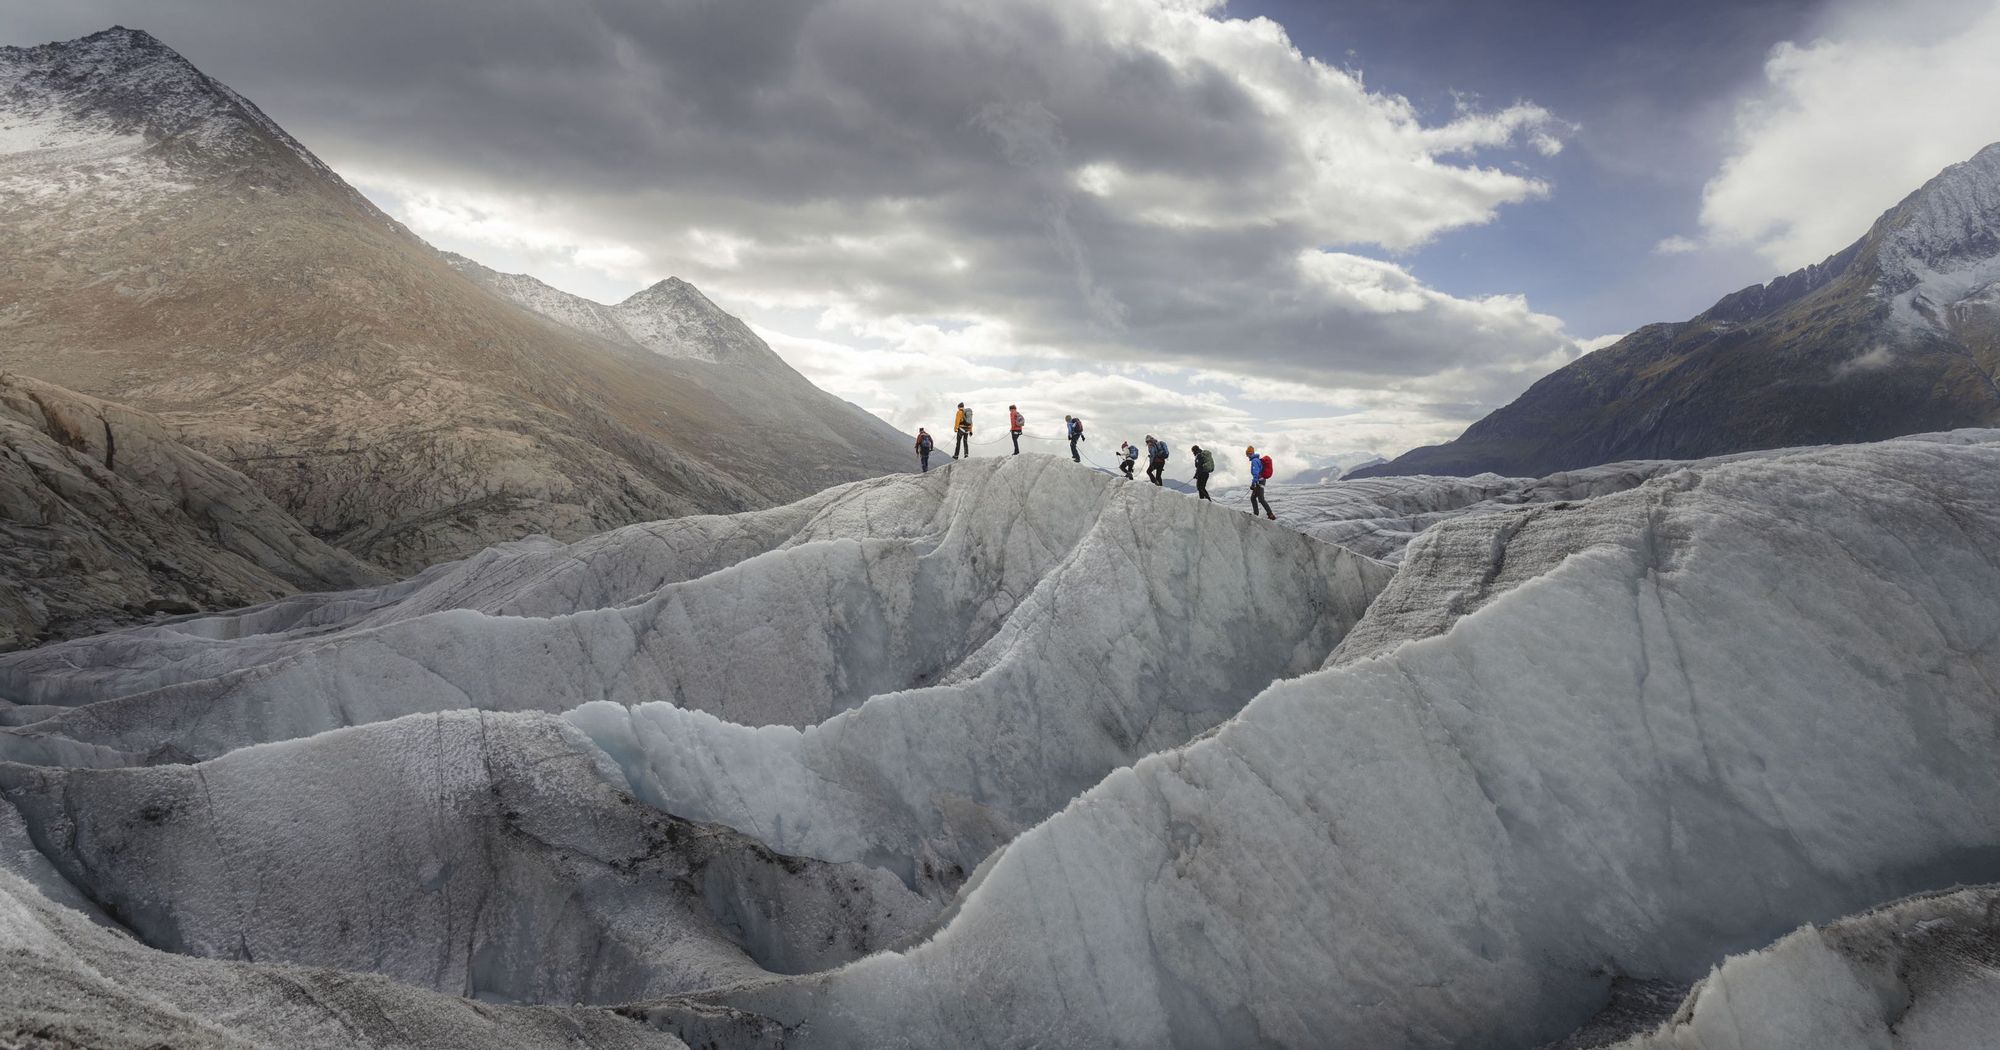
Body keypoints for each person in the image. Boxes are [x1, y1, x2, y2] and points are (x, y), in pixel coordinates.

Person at [1247, 446, 1274, 520]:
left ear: (1249, 453)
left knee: (1260, 499)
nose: (1247, 456)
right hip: (1261, 480)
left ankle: (1270, 514)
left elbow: (1256, 473)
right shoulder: (1257, 460)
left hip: (1259, 481)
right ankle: (1258, 514)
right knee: (1254, 498)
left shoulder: (1254, 461)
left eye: (1247, 454)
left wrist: (1253, 484)